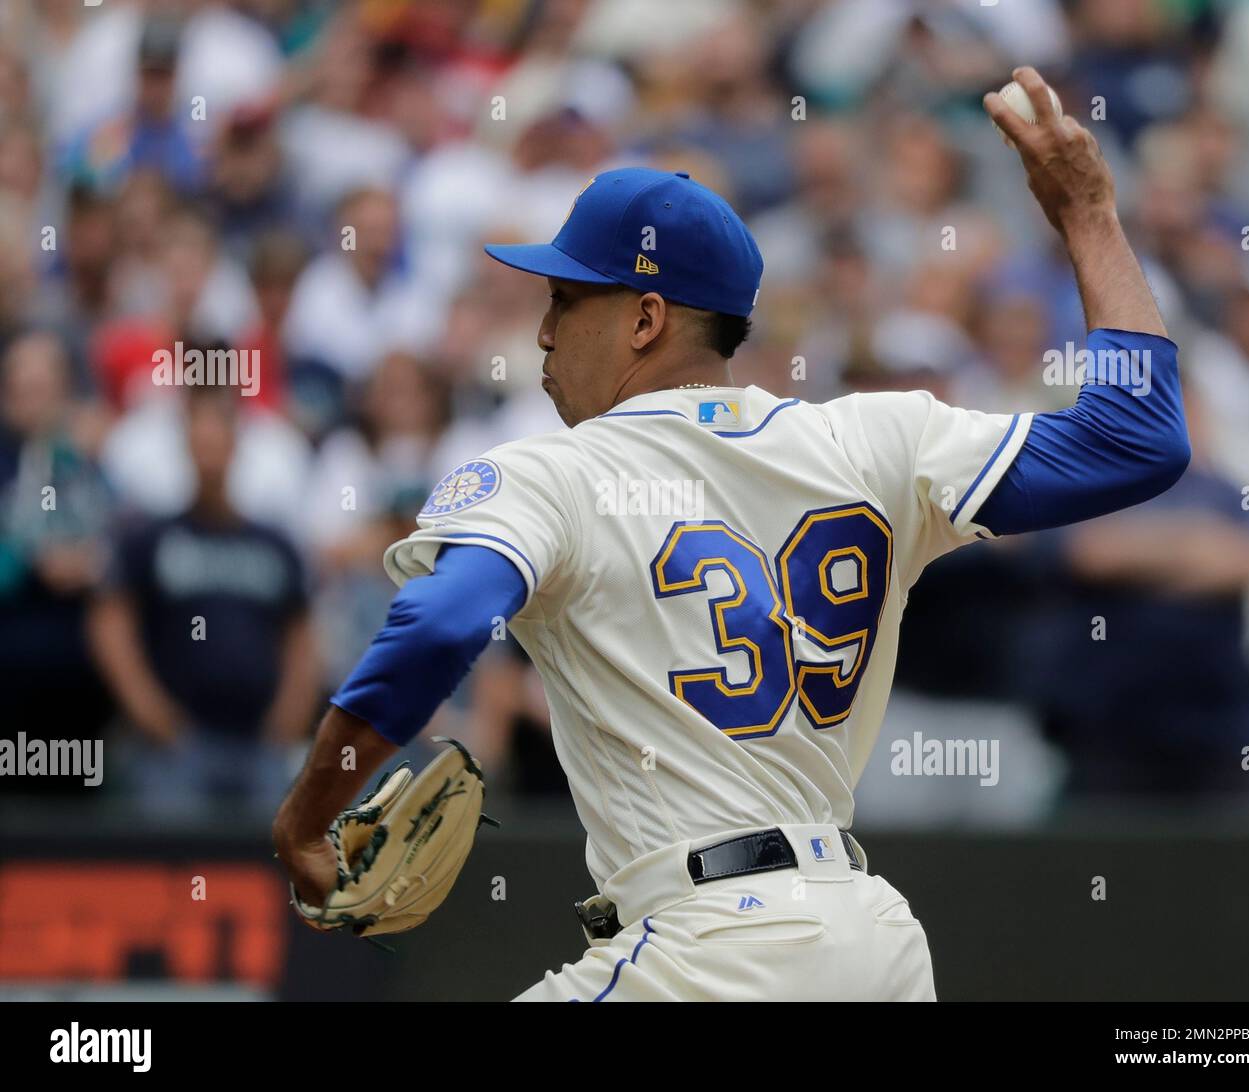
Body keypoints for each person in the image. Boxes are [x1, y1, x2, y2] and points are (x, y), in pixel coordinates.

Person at [273, 69, 1191, 1001]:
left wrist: (309, 815)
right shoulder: (873, 438)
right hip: (870, 944)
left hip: (707, 949)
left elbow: (437, 624)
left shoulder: (553, 474)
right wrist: (1089, 213)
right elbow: (1138, 439)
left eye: (565, 301)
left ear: (644, 318)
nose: (543, 333)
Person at [89, 383, 317, 817]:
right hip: (176, 745)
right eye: (200, 434)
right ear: (186, 444)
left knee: (267, 867)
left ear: (237, 443)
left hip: (260, 744)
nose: (210, 445)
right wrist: (150, 711)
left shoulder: (273, 543)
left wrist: (288, 718)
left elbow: (302, 634)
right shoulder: (151, 538)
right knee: (175, 869)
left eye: (220, 433)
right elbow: (110, 622)